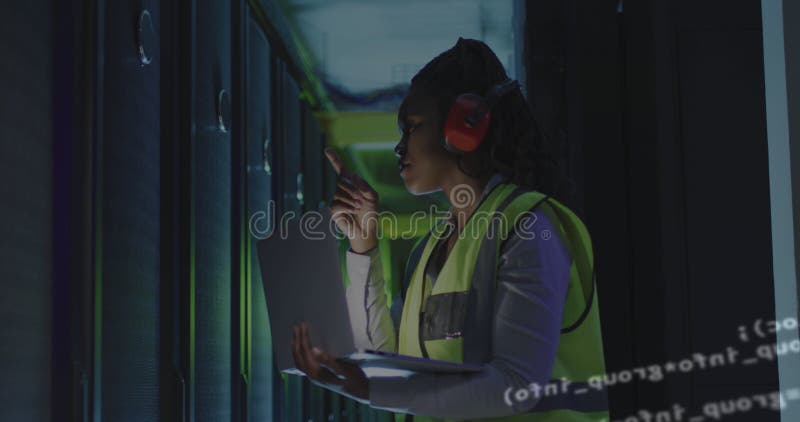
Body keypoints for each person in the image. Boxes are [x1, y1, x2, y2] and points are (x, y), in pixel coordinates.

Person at [291, 37, 608, 421]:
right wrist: (363, 246)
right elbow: (389, 365)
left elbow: (516, 385)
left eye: (411, 128)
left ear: (465, 127)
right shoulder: (433, 249)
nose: (400, 147)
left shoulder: (527, 227)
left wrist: (370, 387)